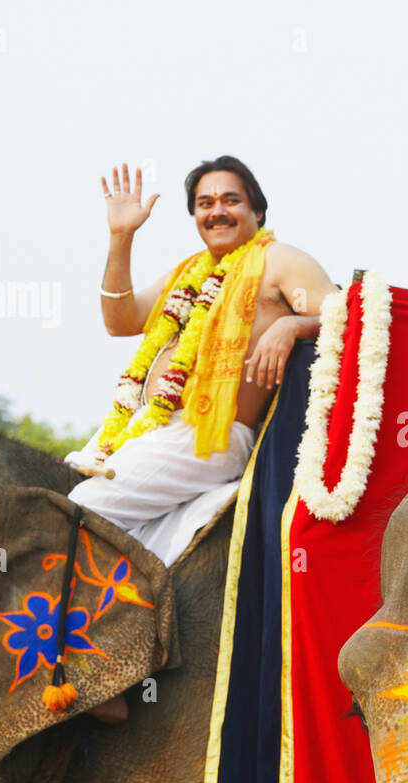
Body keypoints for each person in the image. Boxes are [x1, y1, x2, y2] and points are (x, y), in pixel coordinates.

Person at [65, 157, 336, 567]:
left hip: (209, 436)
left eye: (231, 200)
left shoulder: (279, 259)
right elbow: (119, 321)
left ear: (257, 211)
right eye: (205, 203)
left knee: (78, 510)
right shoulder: (190, 272)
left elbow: (350, 310)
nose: (217, 211)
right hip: (150, 429)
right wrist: (121, 237)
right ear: (195, 214)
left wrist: (293, 326)